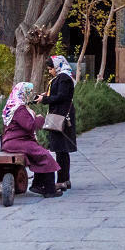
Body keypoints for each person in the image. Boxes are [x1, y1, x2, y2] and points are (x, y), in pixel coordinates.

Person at [0, 82, 62, 198]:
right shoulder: (19, 108)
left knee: (40, 155)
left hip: (15, 141)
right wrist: (39, 119)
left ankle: (38, 185)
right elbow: (29, 126)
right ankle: (49, 190)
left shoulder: (15, 105)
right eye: (28, 93)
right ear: (23, 93)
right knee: (45, 156)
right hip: (17, 142)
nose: (30, 95)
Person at [39, 55, 77, 191]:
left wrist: (45, 100)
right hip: (59, 115)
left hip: (60, 118)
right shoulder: (62, 77)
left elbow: (61, 96)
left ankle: (61, 180)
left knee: (61, 149)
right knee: (62, 151)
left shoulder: (64, 78)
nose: (50, 72)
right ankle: (65, 179)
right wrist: (45, 96)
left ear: (57, 66)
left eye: (51, 69)